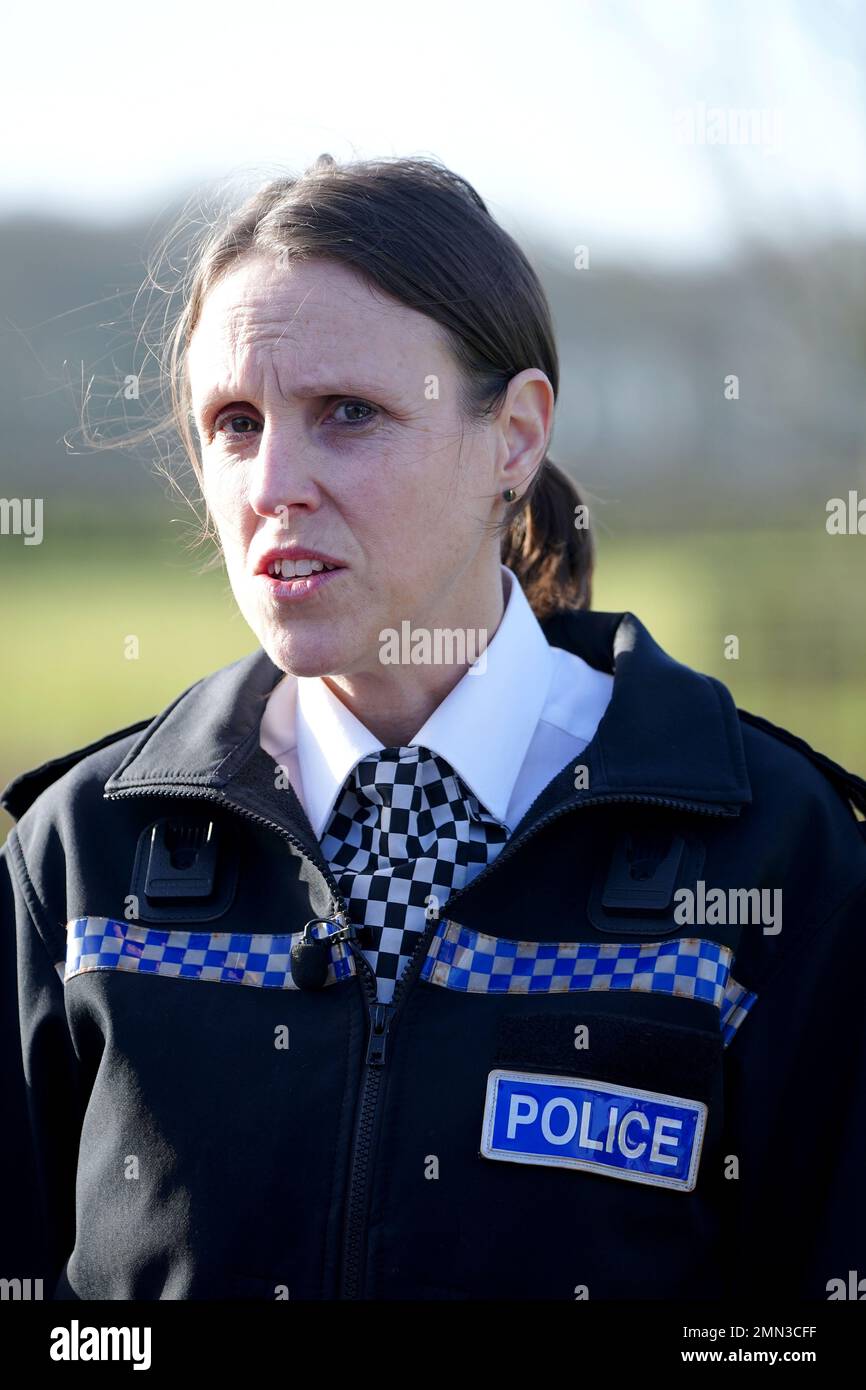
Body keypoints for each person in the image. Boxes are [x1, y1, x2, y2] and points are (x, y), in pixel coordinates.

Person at [1, 154, 864, 1303]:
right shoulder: (80, 861)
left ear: (513, 438)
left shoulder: (772, 850)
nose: (274, 484)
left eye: (346, 413)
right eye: (234, 422)